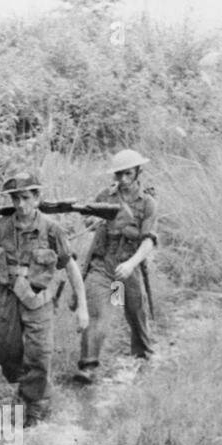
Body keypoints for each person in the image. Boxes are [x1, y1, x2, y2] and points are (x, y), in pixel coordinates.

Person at [0, 171, 88, 427]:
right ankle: (25, 388)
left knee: (38, 353)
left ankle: (34, 405)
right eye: (16, 199)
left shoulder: (52, 229)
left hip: (38, 300)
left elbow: (70, 267)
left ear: (37, 198)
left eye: (25, 198)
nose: (20, 205)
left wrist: (83, 308)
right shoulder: (0, 227)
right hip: (8, 298)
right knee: (4, 350)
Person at [74, 149, 159, 383]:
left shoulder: (148, 203)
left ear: (138, 172)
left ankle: (143, 357)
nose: (122, 180)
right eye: (118, 175)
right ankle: (88, 367)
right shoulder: (106, 195)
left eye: (127, 174)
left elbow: (149, 240)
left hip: (128, 267)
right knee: (98, 314)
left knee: (134, 313)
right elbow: (88, 220)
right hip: (103, 266)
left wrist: (132, 264)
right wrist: (96, 220)